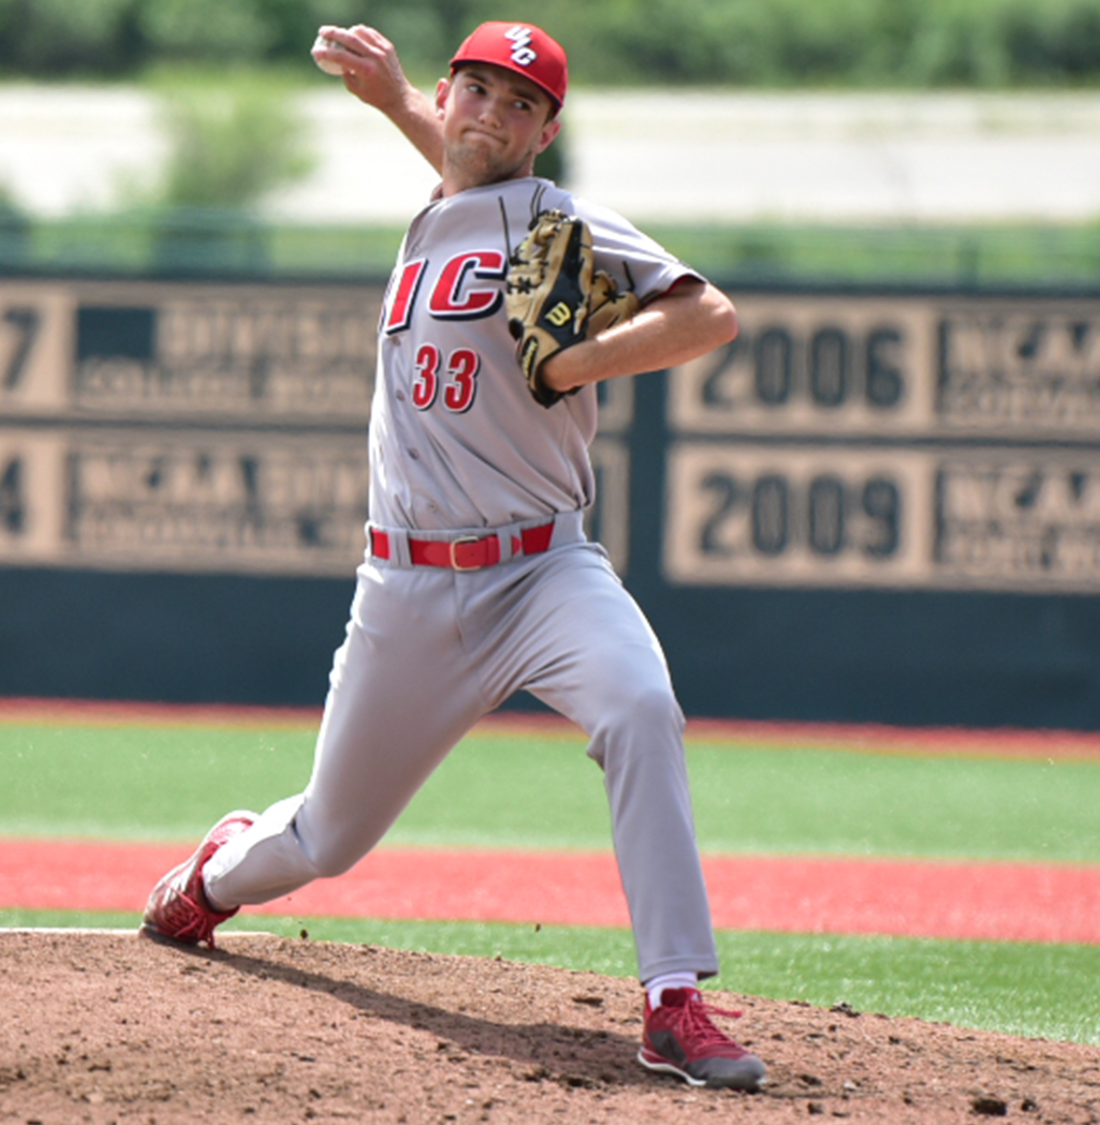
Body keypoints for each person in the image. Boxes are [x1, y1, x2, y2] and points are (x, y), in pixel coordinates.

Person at [140, 20, 769, 1091]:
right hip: (408, 587)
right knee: (326, 840)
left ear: (545, 131)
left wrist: (580, 359)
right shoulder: (433, 212)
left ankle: (674, 1001)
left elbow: (705, 314)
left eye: (520, 103)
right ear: (450, 95)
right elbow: (459, 163)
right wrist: (392, 99)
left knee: (639, 707)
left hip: (542, 572)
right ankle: (216, 871)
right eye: (474, 90)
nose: (490, 114)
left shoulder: (556, 219)